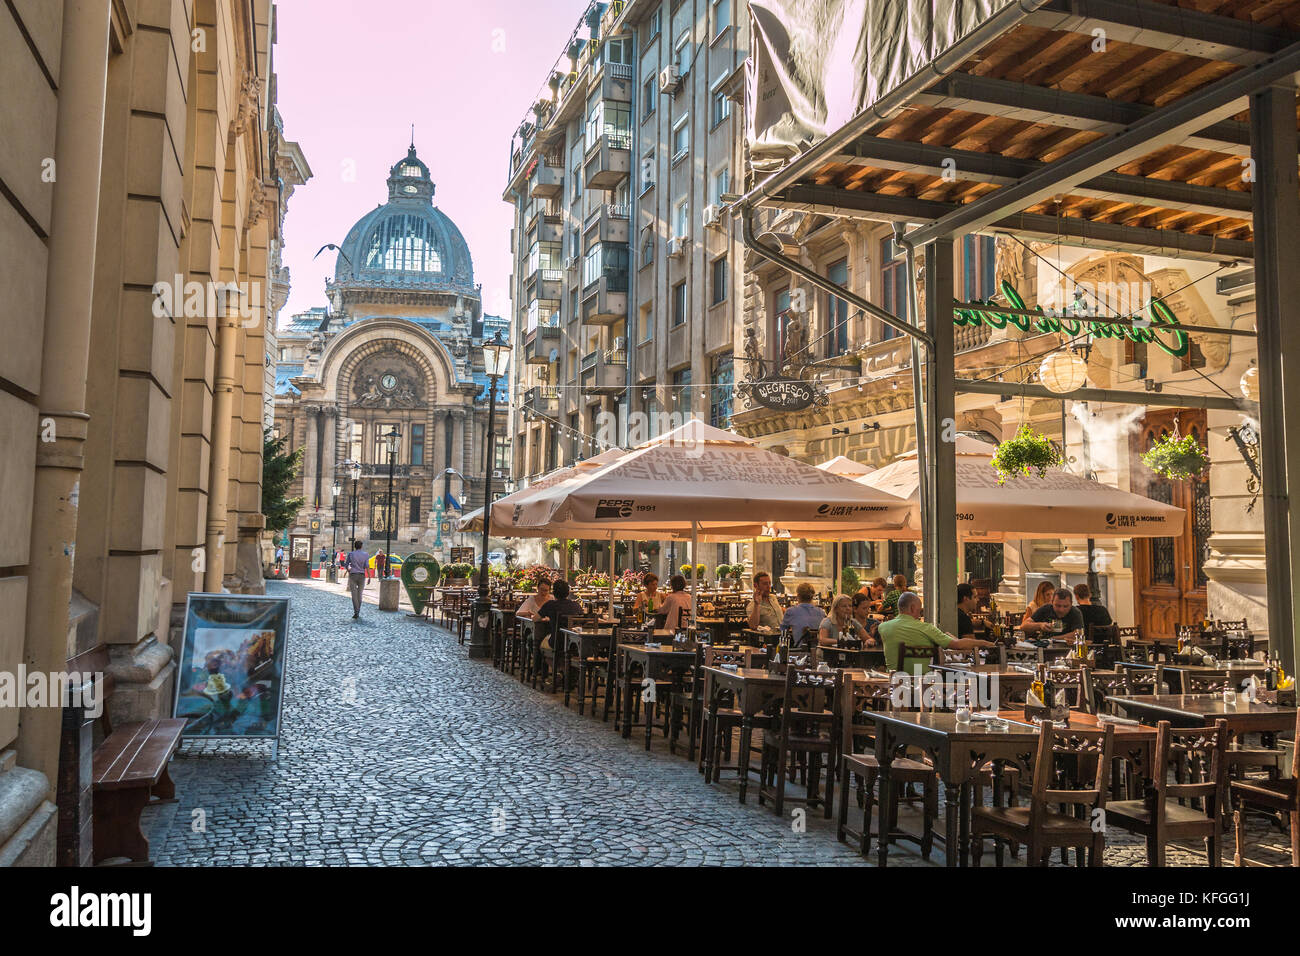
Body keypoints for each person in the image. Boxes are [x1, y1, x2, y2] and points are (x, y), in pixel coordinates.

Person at [877, 592, 995, 674]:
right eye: (919, 610)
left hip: (894, 681)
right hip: (924, 682)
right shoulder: (926, 628)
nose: (919, 615)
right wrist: (984, 643)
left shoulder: (883, 627)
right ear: (912, 608)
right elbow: (957, 644)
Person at [536, 579, 585, 652]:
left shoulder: (550, 605)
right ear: (568, 593)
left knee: (539, 641)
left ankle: (546, 663)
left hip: (556, 643)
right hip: (575, 644)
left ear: (553, 592)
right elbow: (583, 620)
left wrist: (547, 618)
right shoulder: (576, 605)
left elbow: (535, 619)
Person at [781, 582, 825, 647]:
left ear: (798, 595)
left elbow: (783, 631)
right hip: (818, 651)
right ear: (812, 596)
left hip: (799, 650)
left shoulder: (791, 611)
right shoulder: (821, 612)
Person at [345, 539, 369, 620]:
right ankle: (358, 610)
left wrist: (349, 570)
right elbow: (367, 566)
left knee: (354, 595)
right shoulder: (366, 554)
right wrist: (369, 576)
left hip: (353, 575)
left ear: (355, 546)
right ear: (361, 546)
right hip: (362, 575)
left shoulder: (351, 554)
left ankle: (356, 611)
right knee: (360, 594)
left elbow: (346, 564)